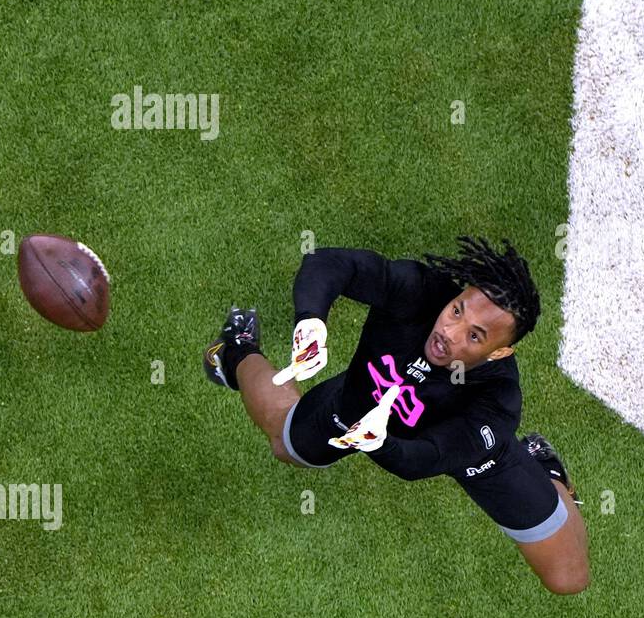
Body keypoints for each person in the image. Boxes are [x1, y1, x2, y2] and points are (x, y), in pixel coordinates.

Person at [202, 236, 589, 595]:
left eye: (475, 336)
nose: (449, 333)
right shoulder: (420, 291)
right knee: (285, 445)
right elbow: (332, 264)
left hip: (463, 447)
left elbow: (429, 457)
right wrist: (311, 321)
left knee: (567, 579)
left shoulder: (496, 402)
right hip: (358, 403)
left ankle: (548, 473)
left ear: (500, 353)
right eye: (456, 311)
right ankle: (234, 352)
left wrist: (380, 444)